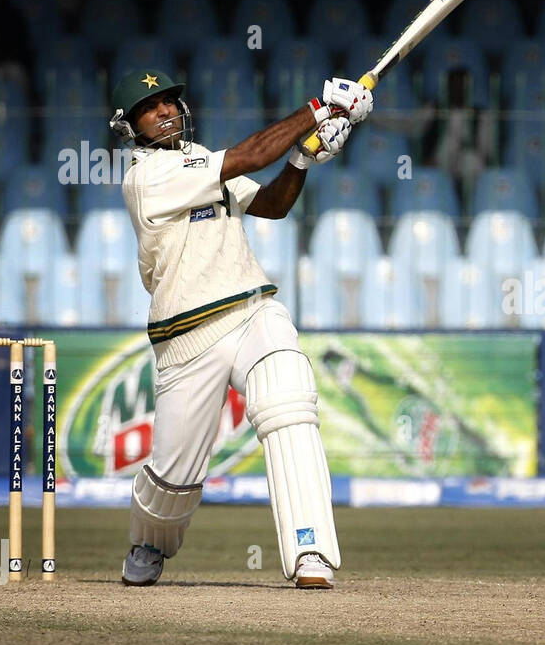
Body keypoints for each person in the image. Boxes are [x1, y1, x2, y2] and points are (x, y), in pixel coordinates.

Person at [108, 68, 373, 589]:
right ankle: (150, 540)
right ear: (129, 126)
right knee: (174, 476)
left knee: (289, 400)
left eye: (168, 101)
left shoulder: (201, 160)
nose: (164, 111)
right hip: (187, 333)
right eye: (150, 106)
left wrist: (301, 159)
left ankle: (310, 549)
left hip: (252, 308)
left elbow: (272, 205)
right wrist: (318, 106)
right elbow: (250, 155)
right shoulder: (146, 177)